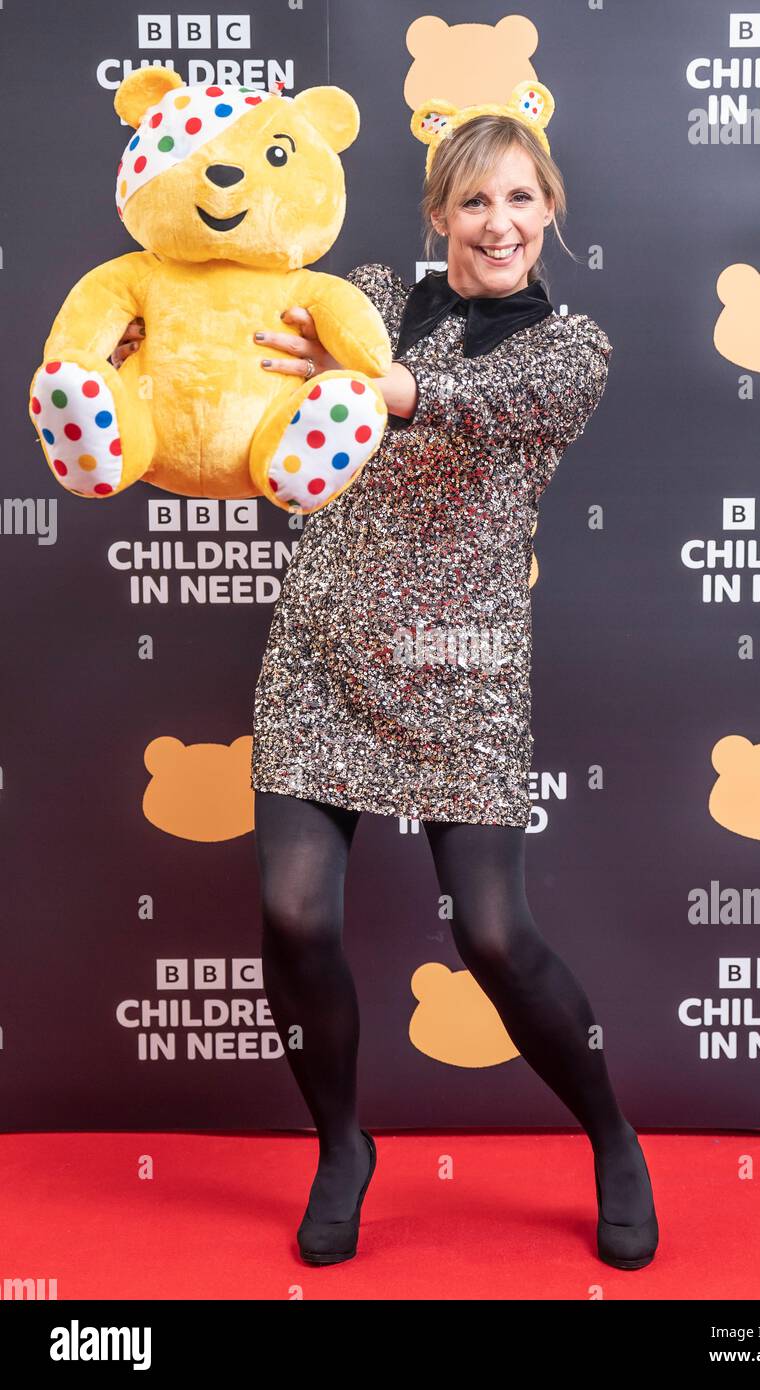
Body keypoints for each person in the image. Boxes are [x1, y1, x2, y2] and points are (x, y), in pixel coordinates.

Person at [115, 106, 659, 1273]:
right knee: (295, 913)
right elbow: (234, 371)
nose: (498, 222)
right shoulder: (360, 291)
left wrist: (374, 384)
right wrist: (146, 366)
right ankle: (342, 1148)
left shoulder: (575, 350)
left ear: (549, 209)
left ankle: (613, 1135)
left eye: (519, 198)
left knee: (498, 934)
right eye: (474, 201)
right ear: (439, 215)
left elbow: (474, 409)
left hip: (463, 666)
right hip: (322, 643)